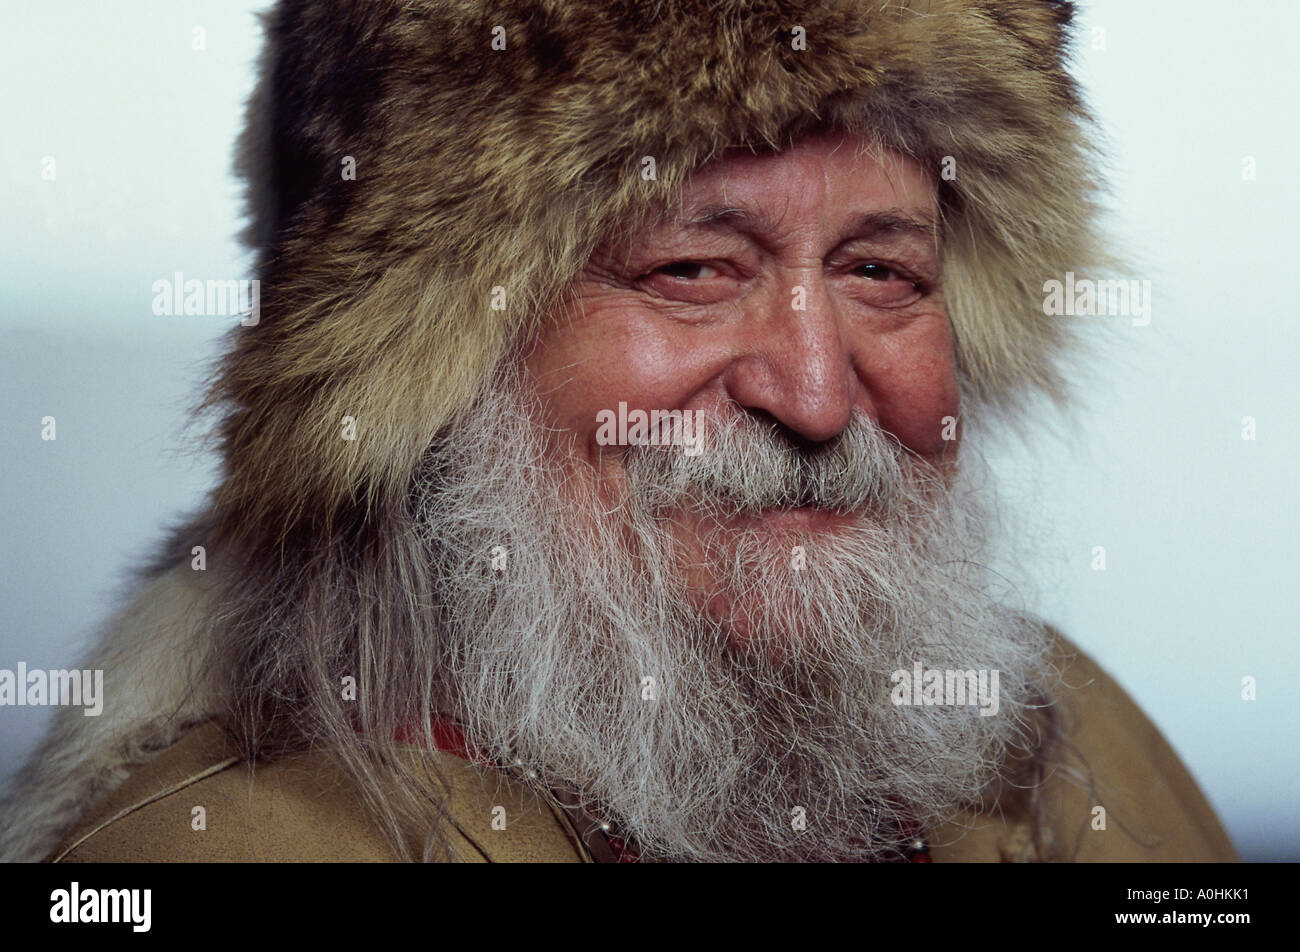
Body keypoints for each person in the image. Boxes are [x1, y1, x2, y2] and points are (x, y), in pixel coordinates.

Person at [0, 0, 1236, 863]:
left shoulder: (1084, 759)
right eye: (692, 270)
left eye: (880, 272)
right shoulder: (231, 847)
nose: (815, 394)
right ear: (440, 366)